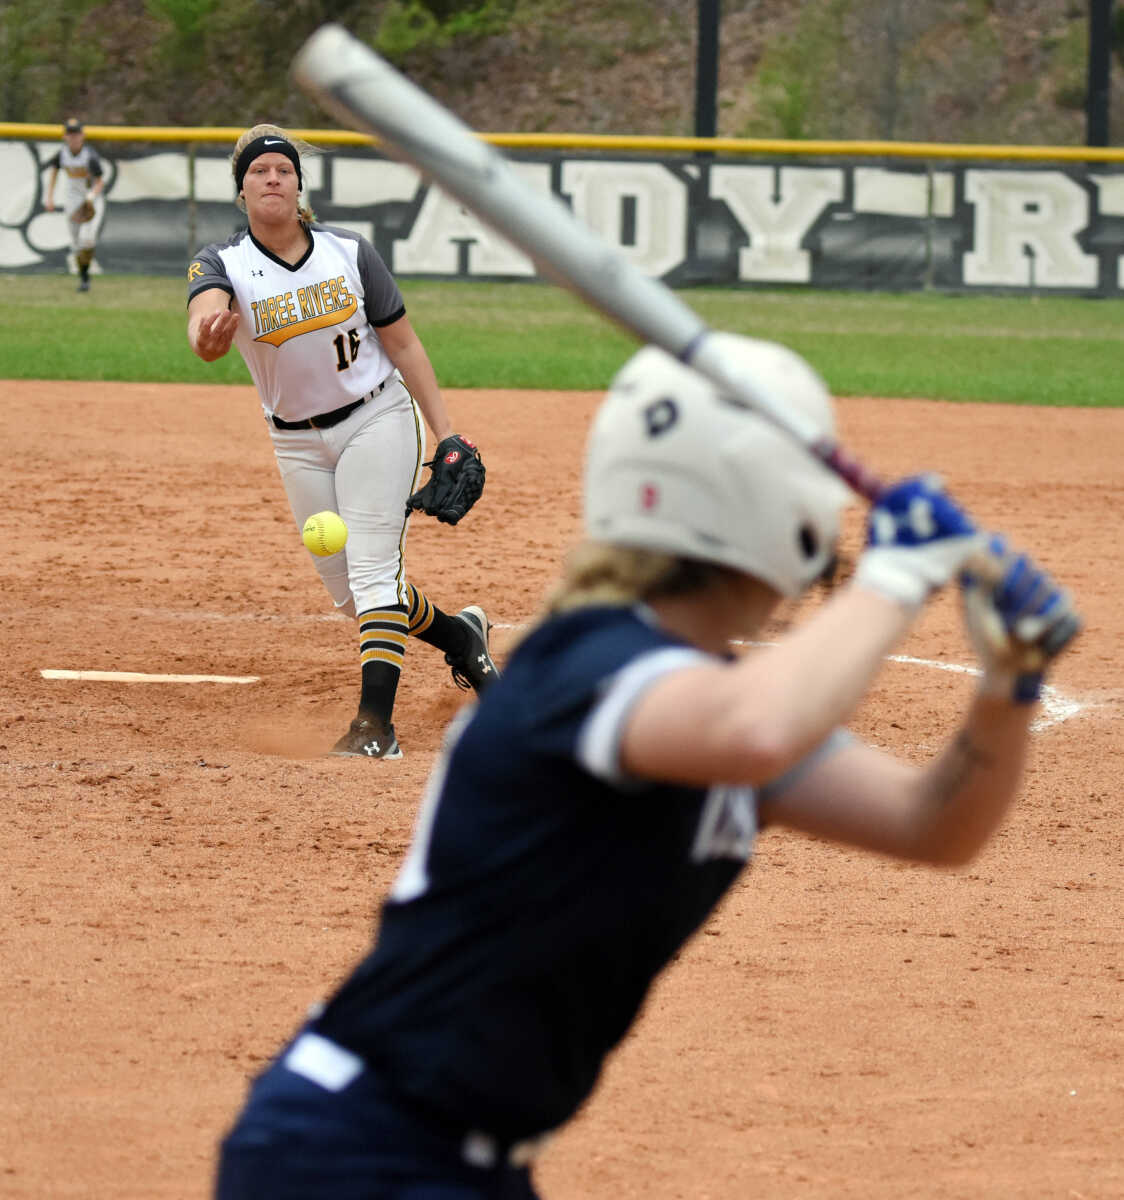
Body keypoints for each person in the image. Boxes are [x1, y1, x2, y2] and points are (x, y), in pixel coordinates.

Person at [213, 334, 1080, 1198]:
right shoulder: (585, 668)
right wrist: (891, 579)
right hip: (352, 1149)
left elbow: (935, 823)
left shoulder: (697, 703)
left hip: (452, 1160)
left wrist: (1009, 684)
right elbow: (758, 731)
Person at [186, 123, 497, 759]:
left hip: (376, 419)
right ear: (241, 191)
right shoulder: (222, 262)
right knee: (354, 594)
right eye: (258, 172)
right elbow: (203, 315)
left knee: (377, 570)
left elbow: (404, 343)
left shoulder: (349, 252)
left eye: (283, 170)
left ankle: (375, 729)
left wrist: (447, 434)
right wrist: (208, 337)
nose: (272, 179)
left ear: (299, 185)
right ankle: (462, 638)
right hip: (295, 443)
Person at [44, 116, 105, 292]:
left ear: (82, 136)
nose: (73, 137)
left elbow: (100, 181)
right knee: (77, 243)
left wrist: (91, 196)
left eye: (76, 134)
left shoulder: (90, 156)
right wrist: (49, 197)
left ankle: (85, 278)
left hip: (90, 199)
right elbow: (54, 171)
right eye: (70, 134)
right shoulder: (62, 154)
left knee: (88, 240)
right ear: (65, 137)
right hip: (71, 200)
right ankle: (84, 278)